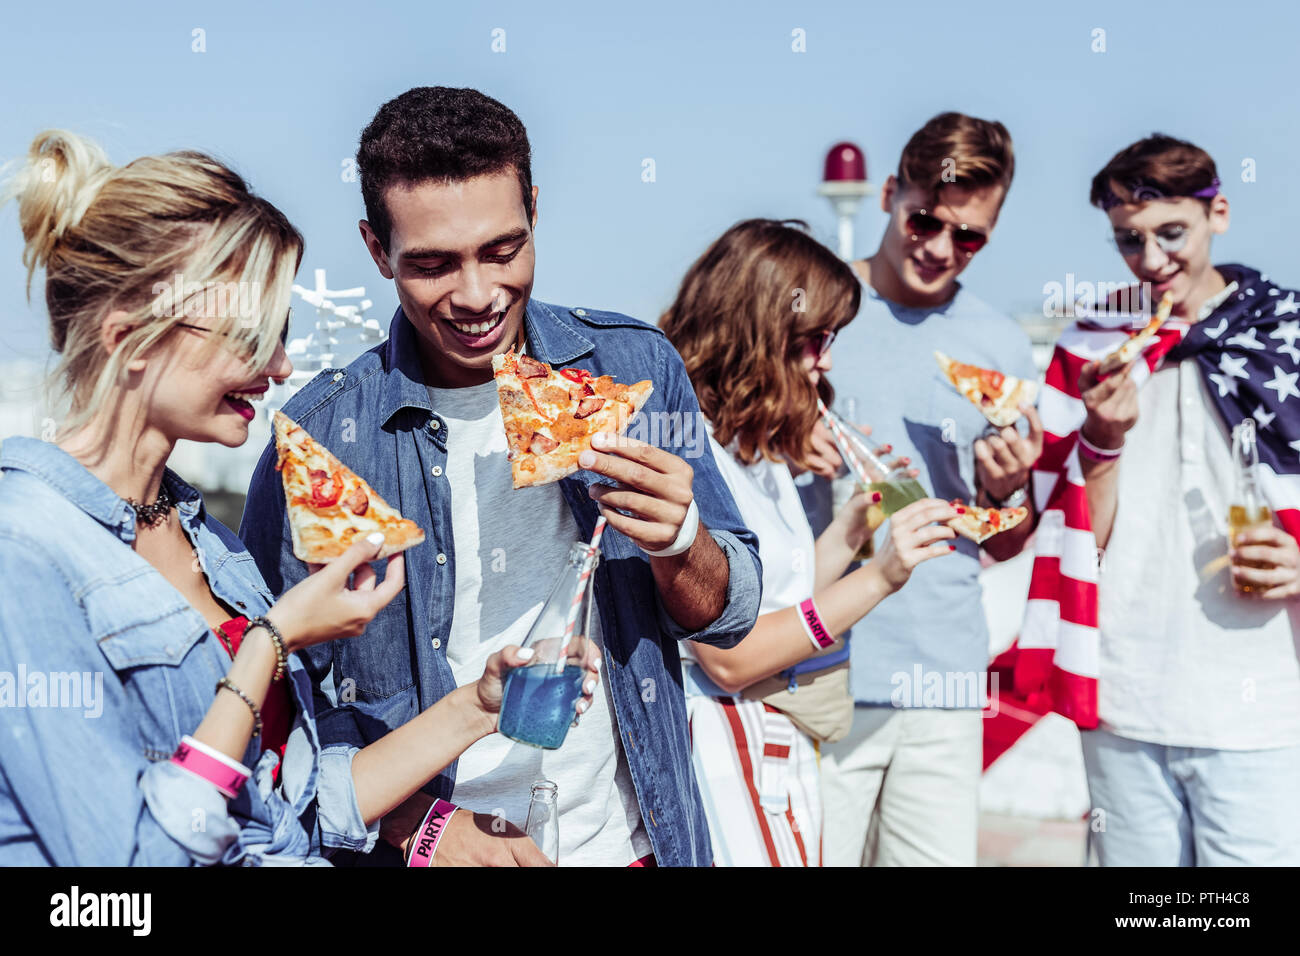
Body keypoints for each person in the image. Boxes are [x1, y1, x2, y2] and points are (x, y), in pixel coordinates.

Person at [0, 130, 598, 866]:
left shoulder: (207, 543)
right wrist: (270, 643)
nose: (280, 366)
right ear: (131, 337)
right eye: (250, 337)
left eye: (281, 334)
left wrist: (477, 705)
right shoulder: (22, 551)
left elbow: (295, 806)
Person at [239, 87, 763, 867]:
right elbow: (278, 702)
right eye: (432, 264)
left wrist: (680, 544)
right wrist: (418, 827)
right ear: (377, 250)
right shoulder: (316, 441)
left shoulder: (634, 367)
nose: (478, 295)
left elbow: (728, 615)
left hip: (635, 846)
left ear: (536, 213)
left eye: (502, 249)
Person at [1027, 134, 1300, 865]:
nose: (1151, 261)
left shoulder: (1288, 335)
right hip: (1124, 695)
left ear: (1220, 213)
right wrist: (1103, 440)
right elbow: (1074, 534)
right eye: (1128, 241)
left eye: (1170, 233)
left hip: (1263, 705)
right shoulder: (1092, 343)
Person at [659, 219, 958, 866]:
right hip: (724, 735)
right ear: (757, 331)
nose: (826, 359)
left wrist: (853, 526)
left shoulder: (753, 446)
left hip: (779, 734)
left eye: (833, 338)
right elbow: (732, 656)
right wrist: (880, 576)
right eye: (813, 339)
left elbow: (780, 598)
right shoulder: (695, 454)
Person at [809, 112, 1043, 866]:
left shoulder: (1001, 344)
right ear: (888, 194)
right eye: (926, 221)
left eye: (969, 236)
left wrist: (1012, 490)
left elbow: (1005, 538)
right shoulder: (814, 307)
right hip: (821, 666)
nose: (941, 248)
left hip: (943, 675)